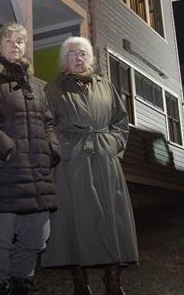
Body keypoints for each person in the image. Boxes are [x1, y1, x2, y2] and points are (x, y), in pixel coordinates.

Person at [0, 22, 61, 295]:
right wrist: (7, 148)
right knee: (0, 238)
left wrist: (52, 147)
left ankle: (21, 279)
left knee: (37, 237)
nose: (15, 45)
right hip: (2, 173)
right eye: (9, 40)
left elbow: (49, 122)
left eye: (20, 41)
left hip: (37, 175)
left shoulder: (35, 87)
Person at [41, 36, 137, 295]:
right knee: (74, 219)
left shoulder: (106, 86)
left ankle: (113, 281)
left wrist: (114, 146)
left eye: (83, 53)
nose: (78, 58)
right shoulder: (53, 89)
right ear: (65, 60)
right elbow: (45, 124)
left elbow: (120, 120)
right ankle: (80, 282)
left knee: (112, 219)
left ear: (90, 58)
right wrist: (63, 147)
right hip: (72, 163)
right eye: (72, 54)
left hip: (105, 160)